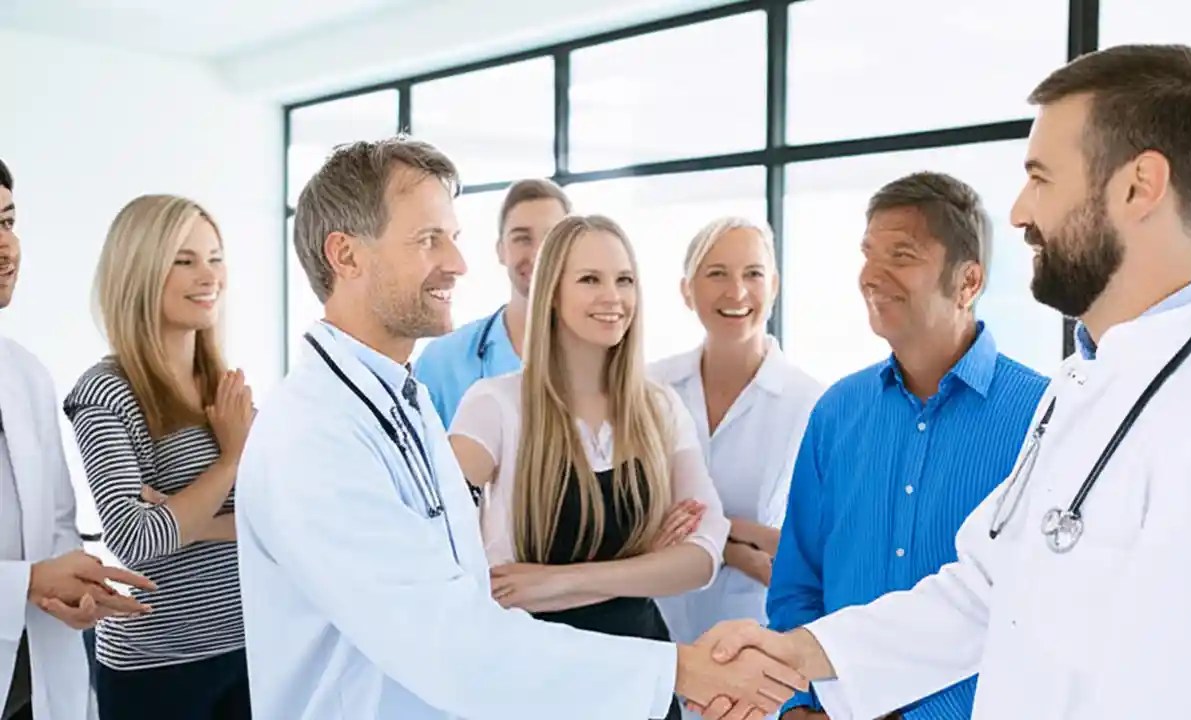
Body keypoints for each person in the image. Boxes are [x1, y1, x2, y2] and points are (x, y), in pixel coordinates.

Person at [692, 44, 1191, 720]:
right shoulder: (1083, 384)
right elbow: (985, 588)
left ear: (1138, 186)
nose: (1022, 212)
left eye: (1042, 177)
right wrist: (799, 656)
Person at [234, 137, 805, 719]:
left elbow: (469, 586)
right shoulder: (317, 435)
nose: (458, 264)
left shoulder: (404, 405)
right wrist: (680, 665)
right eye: (429, 239)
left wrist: (590, 575)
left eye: (453, 239)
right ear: (346, 255)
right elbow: (453, 640)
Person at [764, 172, 1049, 720]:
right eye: (868, 253)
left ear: (968, 282)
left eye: (902, 254)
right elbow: (798, 585)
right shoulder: (836, 412)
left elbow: (1034, 611)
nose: (873, 275)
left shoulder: (1042, 416)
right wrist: (800, 705)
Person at [448, 214, 732, 720]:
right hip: (535, 685)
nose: (613, 297)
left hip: (641, 680)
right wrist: (644, 565)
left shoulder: (659, 408)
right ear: (551, 293)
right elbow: (435, 541)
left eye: (624, 280)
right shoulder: (495, 406)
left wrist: (553, 583)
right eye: (590, 279)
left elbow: (702, 557)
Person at [63, 195, 254, 719]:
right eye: (184, 259)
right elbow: (135, 539)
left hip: (249, 649)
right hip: (157, 669)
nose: (208, 275)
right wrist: (230, 462)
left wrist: (187, 515)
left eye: (215, 257)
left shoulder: (224, 385)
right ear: (141, 270)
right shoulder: (105, 393)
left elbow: (275, 515)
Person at [0, 158, 155, 720]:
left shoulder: (26, 373)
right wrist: (30, 579)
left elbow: (58, 521)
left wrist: (72, 585)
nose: (6, 247)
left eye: (8, 222)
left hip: (33, 675)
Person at [647, 218, 824, 671]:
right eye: (717, 274)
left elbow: (807, 553)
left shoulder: (810, 402)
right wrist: (734, 544)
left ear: (775, 284)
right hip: (653, 632)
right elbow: (633, 518)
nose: (737, 292)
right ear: (687, 290)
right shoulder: (649, 387)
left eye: (753, 274)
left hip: (753, 642)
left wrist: (706, 534)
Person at [413, 178, 570, 427]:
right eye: (522, 238)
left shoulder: (600, 360)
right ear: (500, 250)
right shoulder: (441, 363)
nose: (539, 253)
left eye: (553, 238)